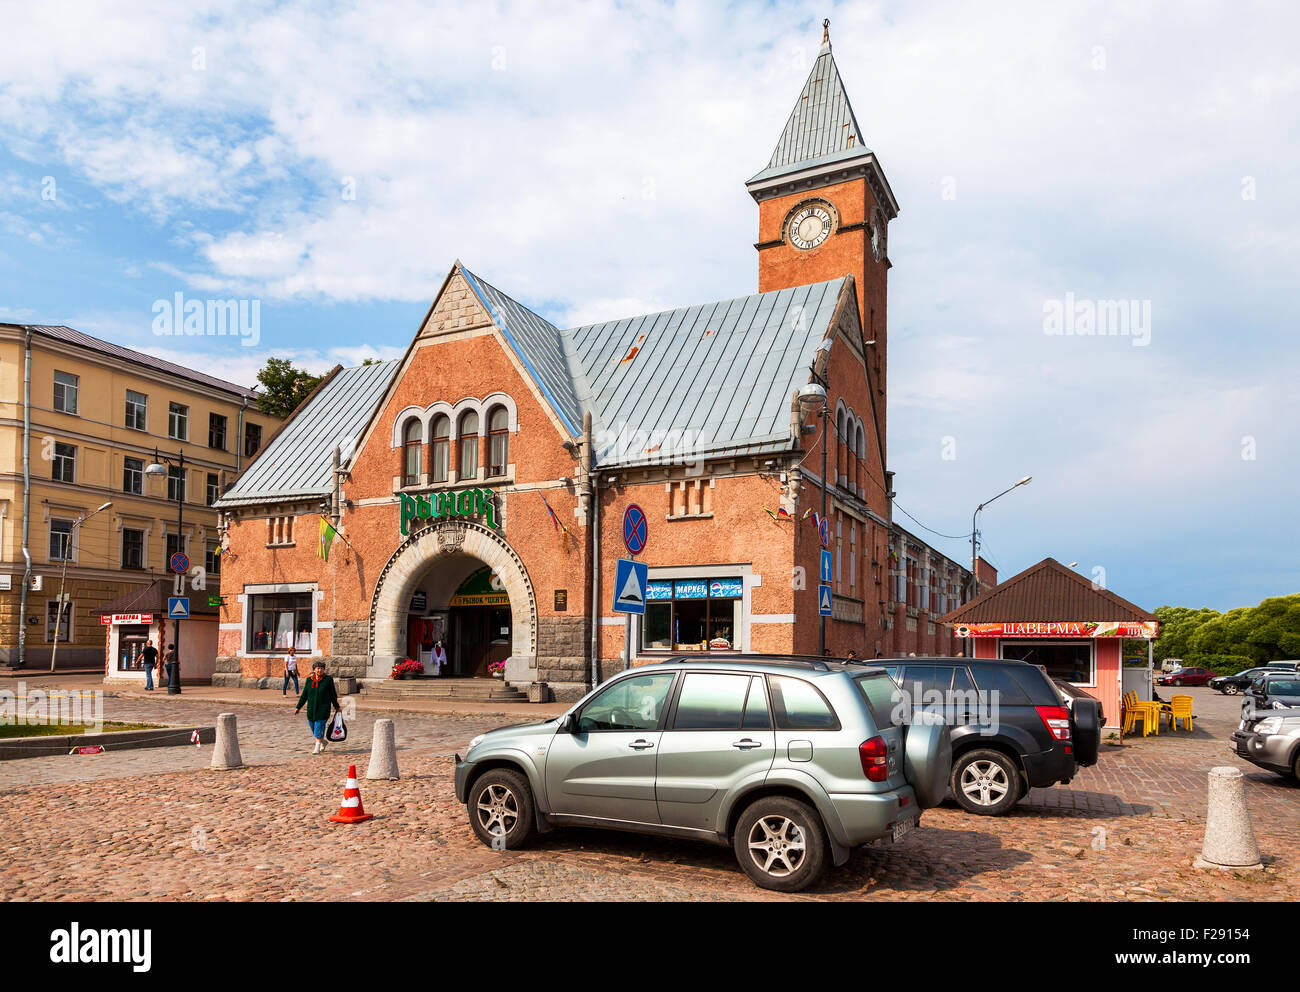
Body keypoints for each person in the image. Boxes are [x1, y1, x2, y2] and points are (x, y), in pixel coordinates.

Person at [295, 660, 341, 754]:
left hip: (323, 709)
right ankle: (323, 742)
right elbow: (304, 695)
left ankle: (317, 747)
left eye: (321, 668)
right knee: (313, 728)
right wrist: (298, 707)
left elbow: (333, 695)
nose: (319, 670)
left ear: (324, 670)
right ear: (314, 670)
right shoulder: (309, 680)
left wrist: (336, 706)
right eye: (318, 668)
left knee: (319, 726)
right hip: (311, 709)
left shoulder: (328, 680)